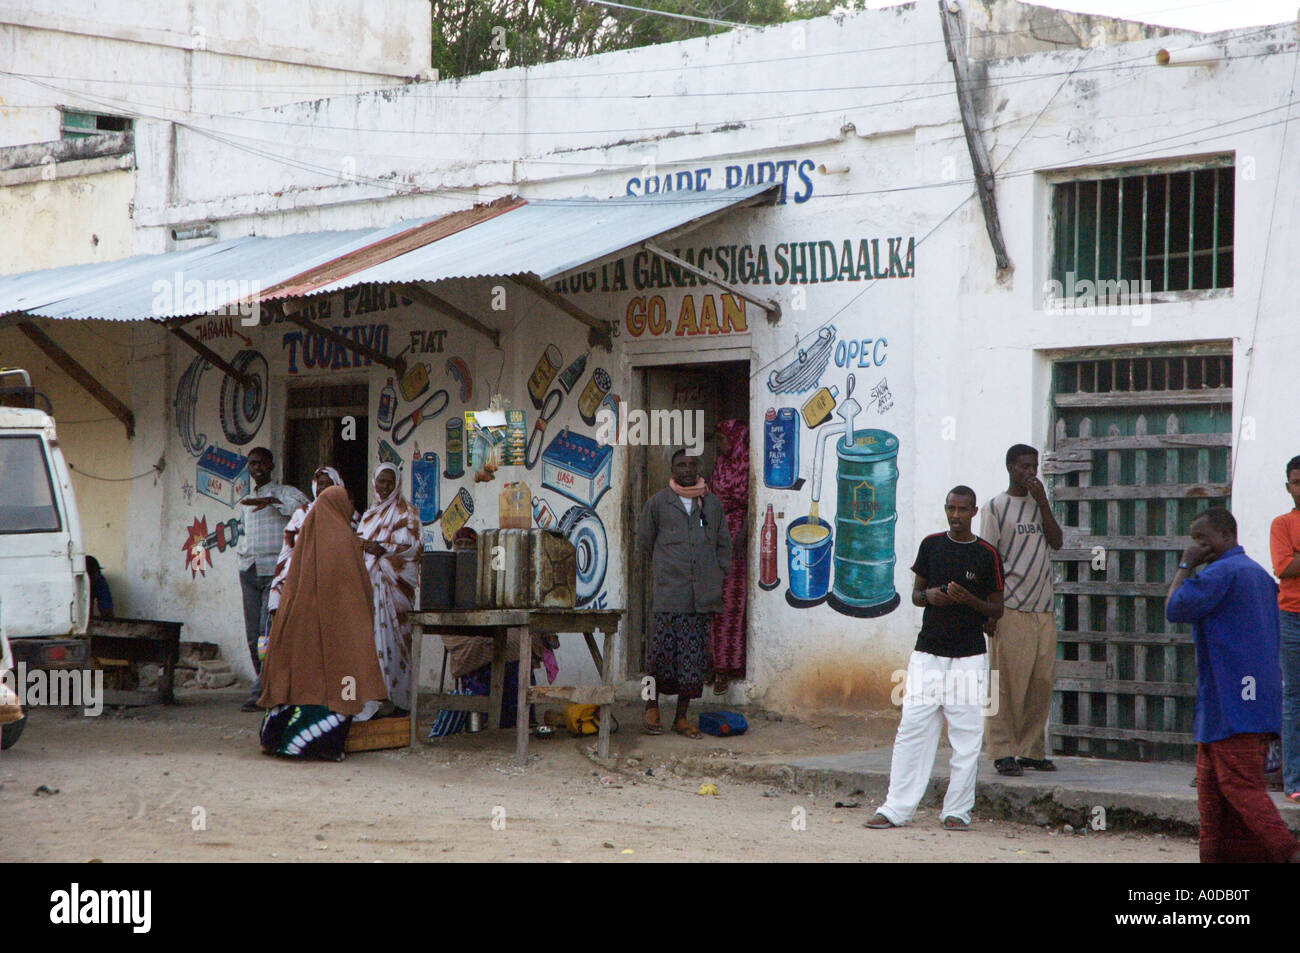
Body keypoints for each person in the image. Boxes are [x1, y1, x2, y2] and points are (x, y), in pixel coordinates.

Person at [1167, 506, 1299, 862]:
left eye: (1202, 538)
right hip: (1235, 703)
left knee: (1241, 791)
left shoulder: (1220, 573)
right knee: (1213, 799)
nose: (1197, 546)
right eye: (1193, 540)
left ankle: (1288, 852)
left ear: (1226, 536)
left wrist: (1184, 565)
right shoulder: (1254, 573)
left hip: (1231, 706)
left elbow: (1175, 607)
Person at [868, 487, 1003, 832]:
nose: (955, 515)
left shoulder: (987, 554)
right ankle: (895, 808)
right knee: (912, 730)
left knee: (967, 735)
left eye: (962, 509)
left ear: (974, 512)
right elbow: (915, 594)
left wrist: (968, 600)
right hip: (927, 653)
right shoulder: (930, 545)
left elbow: (997, 609)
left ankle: (957, 811)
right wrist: (928, 596)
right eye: (950, 508)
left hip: (969, 656)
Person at [257, 485, 387, 761]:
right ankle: (319, 745)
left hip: (299, 634)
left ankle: (279, 739)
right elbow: (357, 591)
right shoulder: (344, 542)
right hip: (336, 634)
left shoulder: (306, 539)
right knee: (337, 684)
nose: (351, 508)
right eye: (348, 502)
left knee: (301, 680)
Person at [980, 444, 1063, 776]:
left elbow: (1056, 541)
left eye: (1035, 466)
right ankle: (1001, 751)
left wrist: (1043, 502)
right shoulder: (996, 507)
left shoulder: (1040, 505)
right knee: (1004, 683)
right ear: (1010, 468)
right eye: (1024, 466)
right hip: (1011, 607)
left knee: (1040, 683)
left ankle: (1031, 749)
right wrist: (990, 610)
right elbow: (988, 559)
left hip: (1043, 607)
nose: (1031, 472)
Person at [638, 448, 731, 738]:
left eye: (692, 465)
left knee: (693, 663)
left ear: (699, 468)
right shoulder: (657, 503)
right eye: (681, 465)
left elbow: (723, 545)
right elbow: (643, 543)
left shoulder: (712, 505)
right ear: (672, 468)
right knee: (656, 659)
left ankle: (681, 717)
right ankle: (650, 708)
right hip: (668, 596)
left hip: (700, 599)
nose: (687, 470)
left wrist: (717, 574)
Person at [236, 447, 308, 712]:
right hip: (249, 570)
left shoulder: (285, 492)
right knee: (253, 635)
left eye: (260, 463)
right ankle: (264, 684)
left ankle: (263, 692)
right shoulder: (246, 499)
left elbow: (305, 511)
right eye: (251, 463)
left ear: (270, 465)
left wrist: (272, 503)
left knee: (267, 635)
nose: (255, 468)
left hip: (274, 572)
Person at [261, 467, 356, 663]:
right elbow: (287, 551)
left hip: (333, 588)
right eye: (320, 484)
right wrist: (278, 586)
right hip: (300, 584)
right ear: (314, 486)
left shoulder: (348, 515)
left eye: (329, 485)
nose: (324, 489)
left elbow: (353, 553)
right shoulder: (301, 513)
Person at [357, 463, 422, 716]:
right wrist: (366, 548)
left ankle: (400, 702)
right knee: (372, 643)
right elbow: (360, 546)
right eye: (381, 481)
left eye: (389, 482)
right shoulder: (368, 515)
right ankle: (376, 698)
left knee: (397, 644)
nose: (384, 487)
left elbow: (415, 549)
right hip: (371, 588)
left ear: (397, 483)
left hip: (396, 591)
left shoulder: (408, 513)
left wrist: (384, 551)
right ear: (374, 482)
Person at [708, 420, 750, 695]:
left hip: (734, 544)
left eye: (723, 439)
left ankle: (728, 667)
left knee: (731, 607)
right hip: (714, 536)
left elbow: (750, 507)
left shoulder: (746, 466)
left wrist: (738, 540)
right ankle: (712, 664)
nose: (720, 445)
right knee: (712, 603)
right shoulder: (721, 464)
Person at [1269, 455, 1300, 802]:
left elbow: (1294, 562)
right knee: (1293, 698)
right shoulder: (1282, 524)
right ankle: (1294, 781)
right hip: (1291, 616)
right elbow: (1284, 568)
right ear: (1288, 486)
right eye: (1296, 482)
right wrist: (1293, 561)